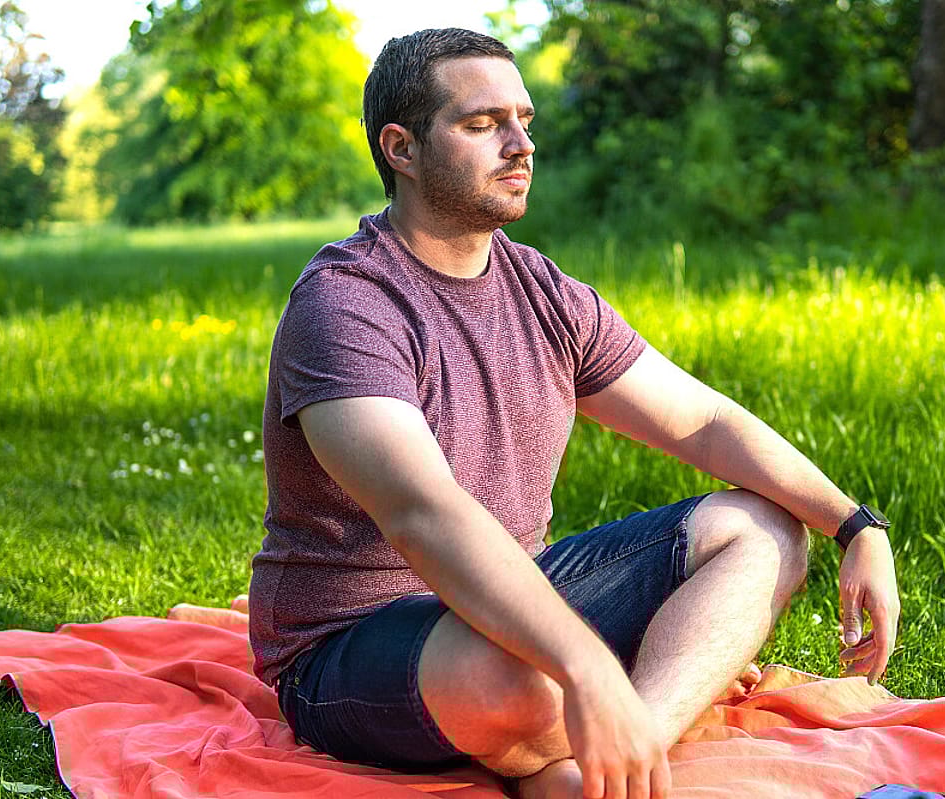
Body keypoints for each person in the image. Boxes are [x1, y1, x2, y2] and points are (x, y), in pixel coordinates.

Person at [248, 27, 900, 799]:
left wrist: (854, 525)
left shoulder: (545, 294)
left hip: (515, 593)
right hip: (350, 644)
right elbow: (424, 516)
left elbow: (704, 422)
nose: (521, 145)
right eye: (483, 123)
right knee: (525, 674)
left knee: (764, 528)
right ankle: (600, 722)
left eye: (525, 121)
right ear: (402, 147)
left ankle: (605, 761)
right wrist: (588, 662)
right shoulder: (347, 304)